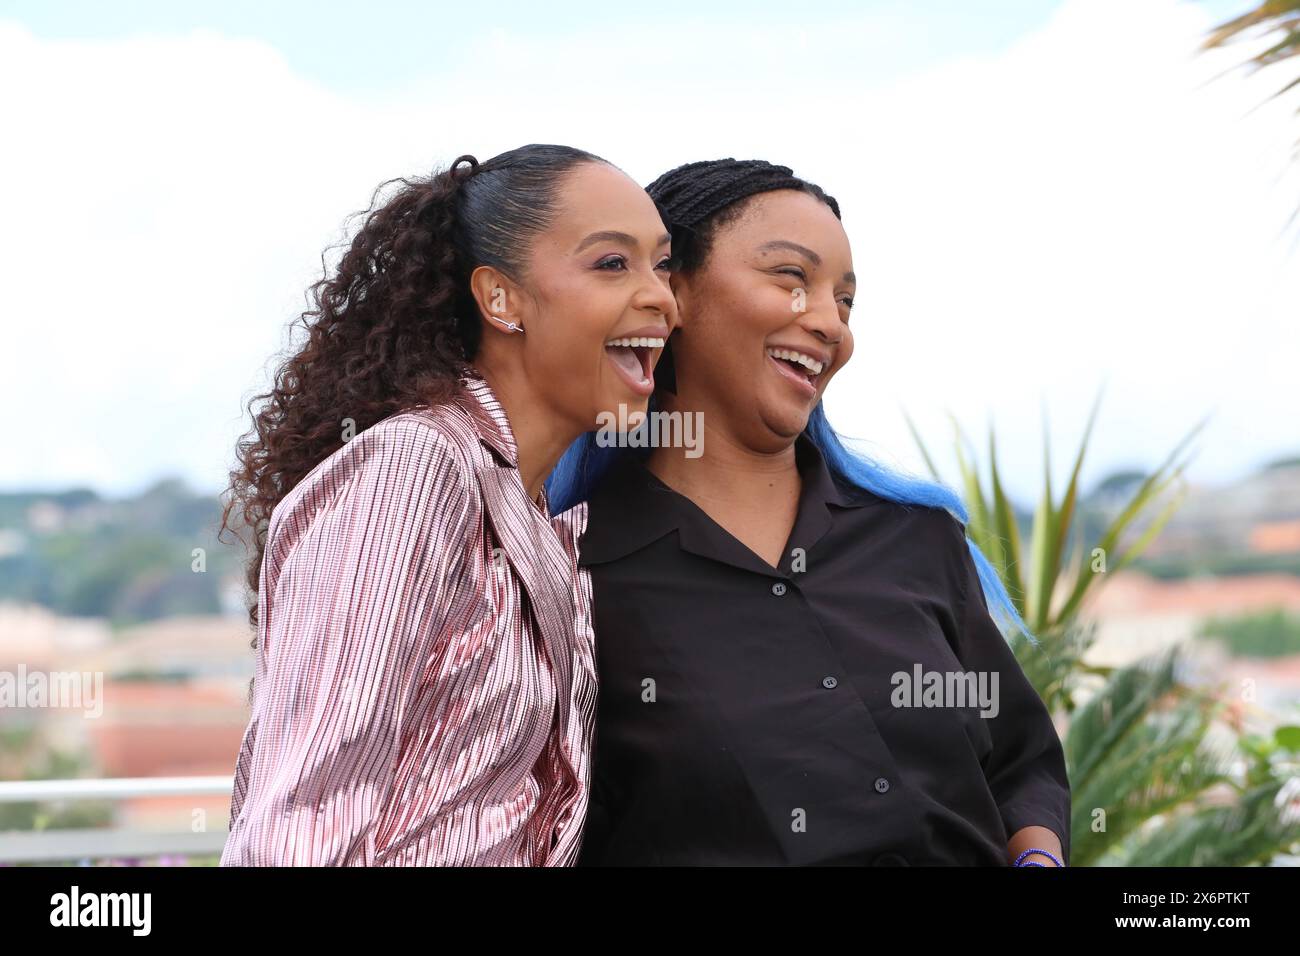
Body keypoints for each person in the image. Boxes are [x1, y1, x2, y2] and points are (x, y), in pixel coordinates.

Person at [548, 158, 1071, 866]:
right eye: (791, 280)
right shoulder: (569, 577)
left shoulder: (917, 539)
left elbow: (1020, 762)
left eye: (845, 301)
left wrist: (1038, 858)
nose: (829, 324)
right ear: (672, 293)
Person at [218, 144, 676, 865]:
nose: (662, 298)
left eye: (663, 264)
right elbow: (302, 826)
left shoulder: (529, 514)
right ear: (500, 298)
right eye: (612, 263)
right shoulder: (414, 468)